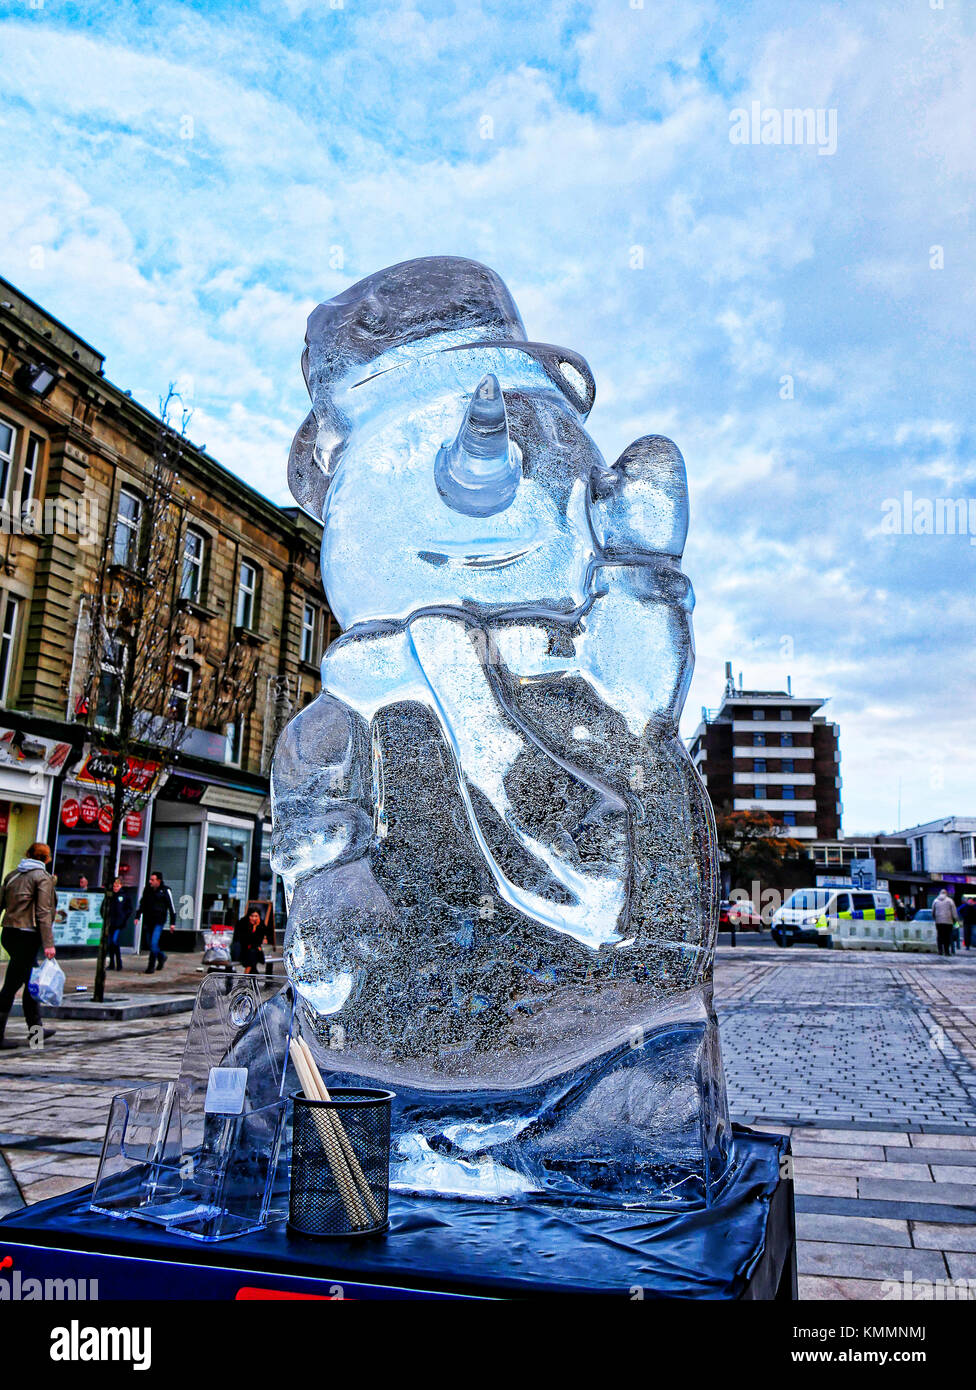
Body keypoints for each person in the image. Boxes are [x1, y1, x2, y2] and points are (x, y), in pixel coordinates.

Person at [0, 841, 57, 1049]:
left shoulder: (13, 875)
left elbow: (1, 903)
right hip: (27, 935)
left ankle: (37, 1033)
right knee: (12, 986)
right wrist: (48, 942)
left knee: (31, 985)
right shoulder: (42, 877)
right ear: (47, 858)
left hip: (9, 933)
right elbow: (43, 911)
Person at [135, 872, 176, 974]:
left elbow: (171, 907)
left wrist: (172, 923)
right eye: (150, 880)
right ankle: (161, 956)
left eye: (152, 880)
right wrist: (138, 916)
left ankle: (151, 966)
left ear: (159, 881)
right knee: (149, 943)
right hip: (148, 920)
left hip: (159, 921)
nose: (150, 882)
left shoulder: (165, 890)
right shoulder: (147, 890)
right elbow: (142, 903)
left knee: (154, 943)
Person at [102, 877, 133, 971]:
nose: (115, 888)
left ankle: (119, 963)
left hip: (119, 923)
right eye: (114, 886)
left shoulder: (124, 895)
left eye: (117, 886)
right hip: (110, 923)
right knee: (110, 943)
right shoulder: (109, 895)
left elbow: (129, 909)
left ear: (121, 886)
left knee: (114, 941)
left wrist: (124, 917)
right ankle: (112, 963)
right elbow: (103, 907)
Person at [233, 907, 271, 975]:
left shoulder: (261, 924)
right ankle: (247, 976)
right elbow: (244, 940)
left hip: (254, 950)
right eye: (252, 916)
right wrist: (254, 928)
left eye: (256, 916)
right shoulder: (242, 923)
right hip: (241, 950)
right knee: (253, 954)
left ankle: (247, 977)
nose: (254, 918)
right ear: (248, 916)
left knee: (253, 953)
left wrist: (256, 927)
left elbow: (259, 940)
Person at [933, 888, 958, 958]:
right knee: (947, 936)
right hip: (948, 922)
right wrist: (955, 919)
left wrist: (935, 918)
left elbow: (933, 911)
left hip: (939, 922)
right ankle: (947, 951)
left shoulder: (935, 901)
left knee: (940, 936)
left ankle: (940, 951)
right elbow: (954, 912)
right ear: (946, 893)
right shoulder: (950, 901)